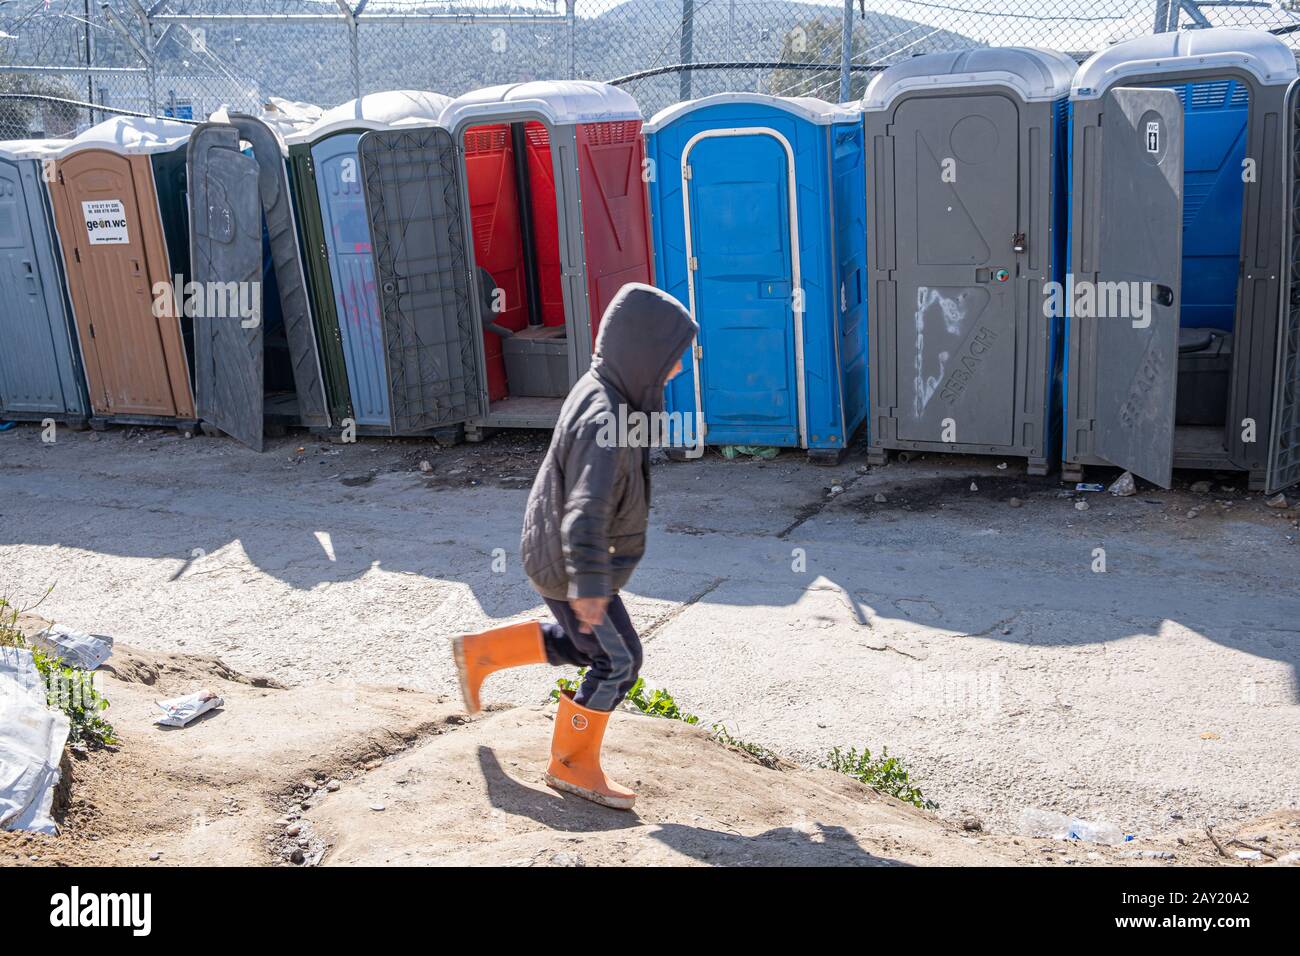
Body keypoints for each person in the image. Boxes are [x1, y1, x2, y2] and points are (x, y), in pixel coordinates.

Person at [453, 283, 697, 810]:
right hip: (572, 564)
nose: (677, 369)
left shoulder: (610, 392)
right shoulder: (604, 417)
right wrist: (589, 587)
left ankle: (483, 653)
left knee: (589, 646)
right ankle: (571, 766)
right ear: (641, 353)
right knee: (618, 660)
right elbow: (584, 511)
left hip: (565, 557)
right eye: (671, 359)